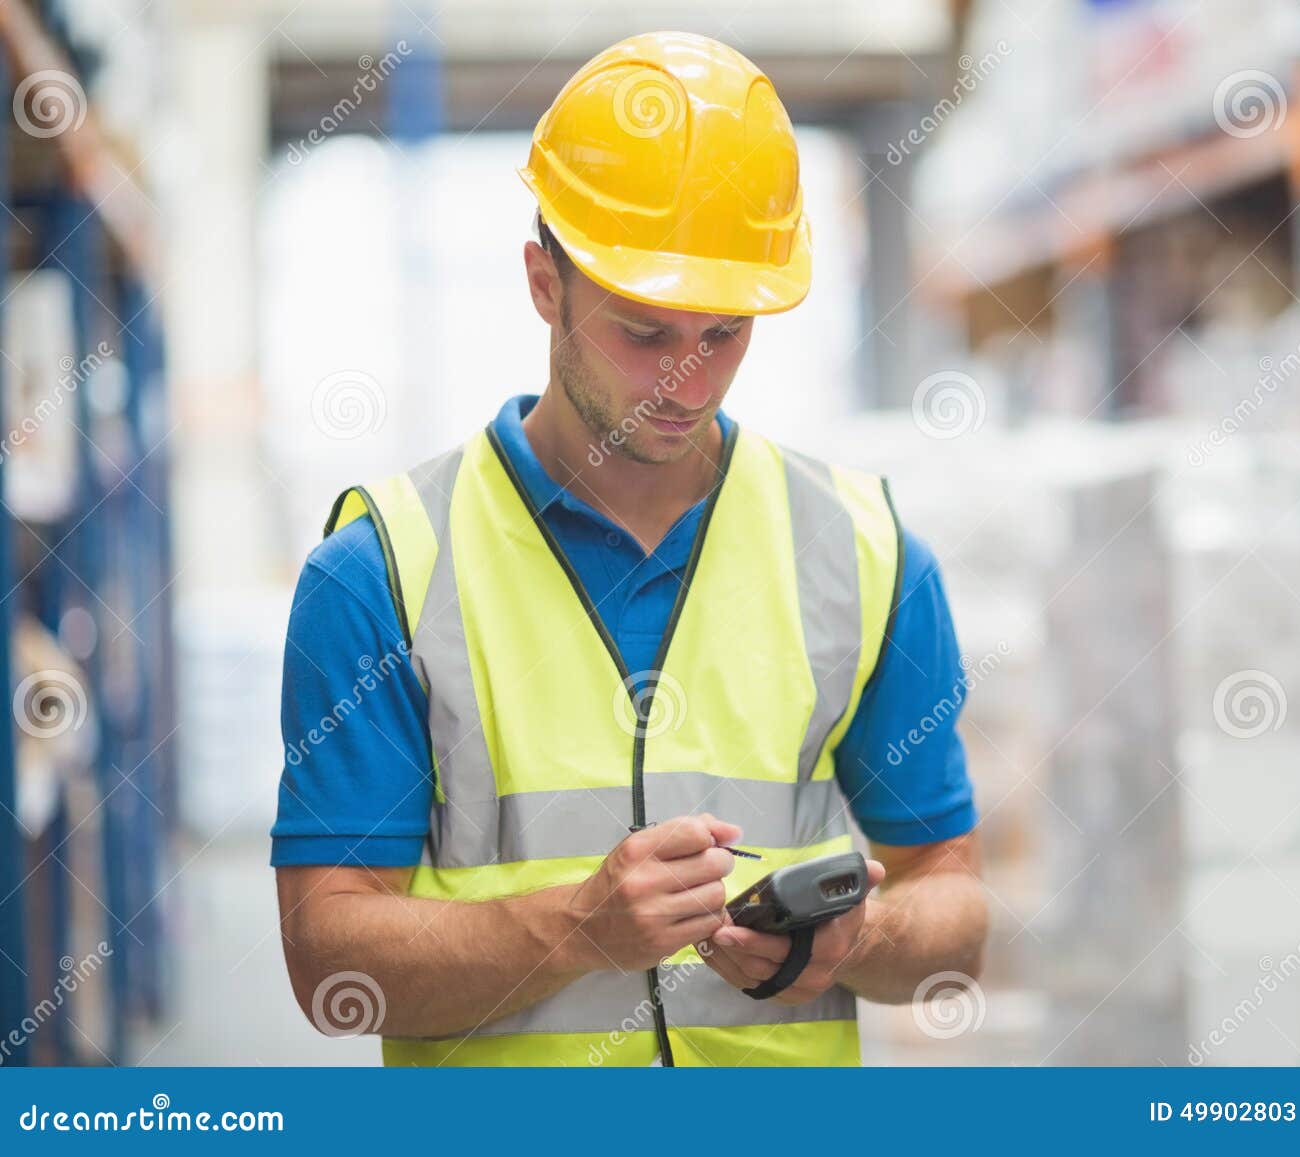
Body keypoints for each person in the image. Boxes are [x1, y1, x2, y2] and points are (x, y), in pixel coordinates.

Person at [272, 30, 987, 1067]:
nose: (685, 383)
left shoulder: (866, 554)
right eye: (644, 332)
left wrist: (860, 937)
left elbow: (953, 911)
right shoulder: (382, 572)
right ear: (542, 283)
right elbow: (325, 963)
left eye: (724, 334)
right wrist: (574, 925)